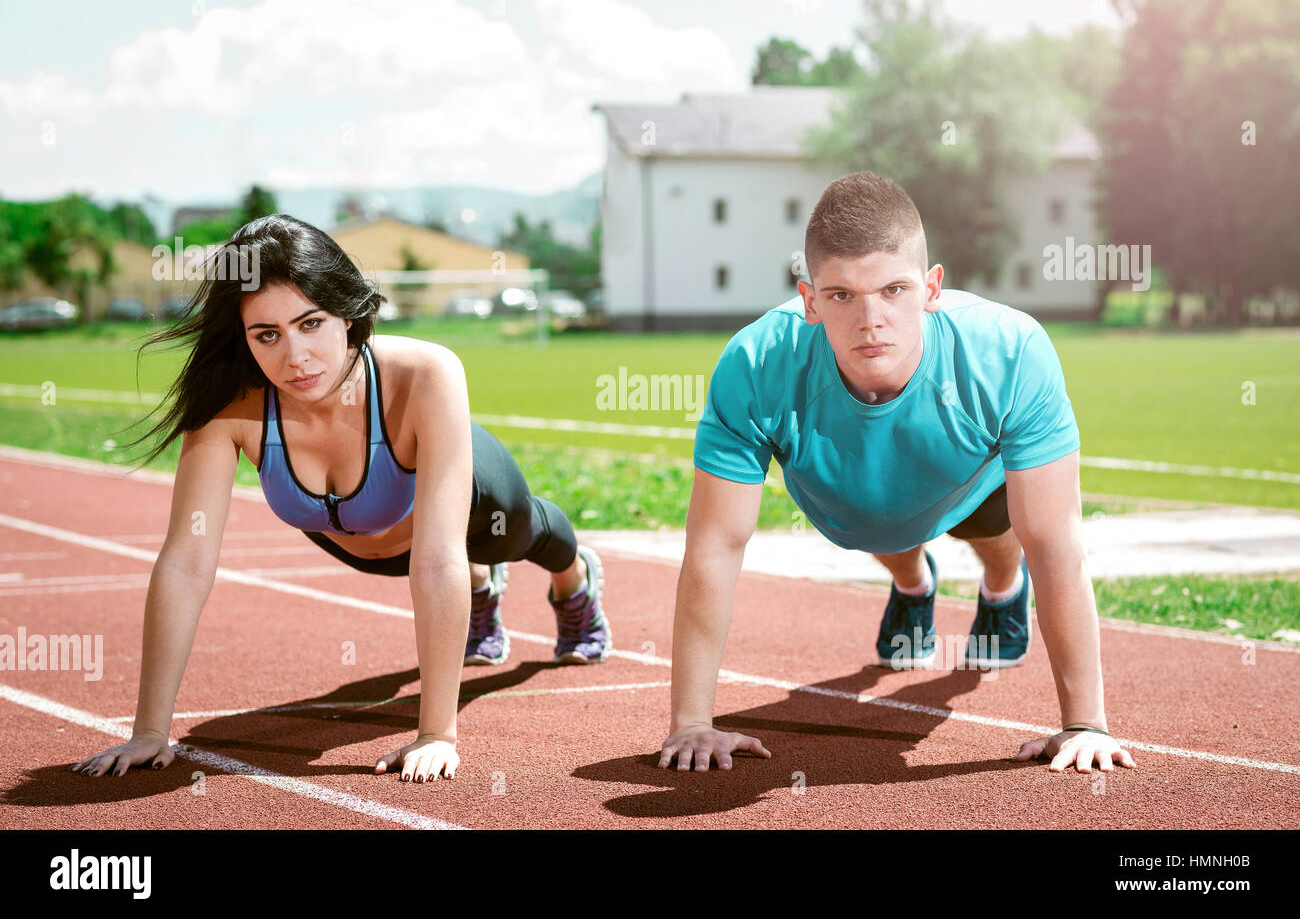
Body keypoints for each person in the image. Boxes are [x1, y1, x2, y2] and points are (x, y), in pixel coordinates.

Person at [71, 214, 610, 784]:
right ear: (243, 336)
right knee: (453, 568)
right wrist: (151, 731)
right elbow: (185, 562)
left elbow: (437, 558)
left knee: (528, 536)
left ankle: (575, 584)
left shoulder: (426, 373)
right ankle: (480, 592)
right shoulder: (228, 407)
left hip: (473, 511)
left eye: (311, 323)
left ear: (347, 313)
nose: (295, 357)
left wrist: (436, 735)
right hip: (360, 543)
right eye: (267, 335)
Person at [658, 171, 1137, 775]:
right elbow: (715, 546)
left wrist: (1085, 724)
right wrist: (692, 724)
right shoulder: (754, 365)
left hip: (970, 483)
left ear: (932, 287)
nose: (870, 319)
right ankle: (914, 585)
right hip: (849, 496)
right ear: (808, 300)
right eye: (841, 296)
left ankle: (1000, 588)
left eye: (893, 289)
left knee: (1006, 541)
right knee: (876, 520)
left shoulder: (1010, 353)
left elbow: (1058, 543)